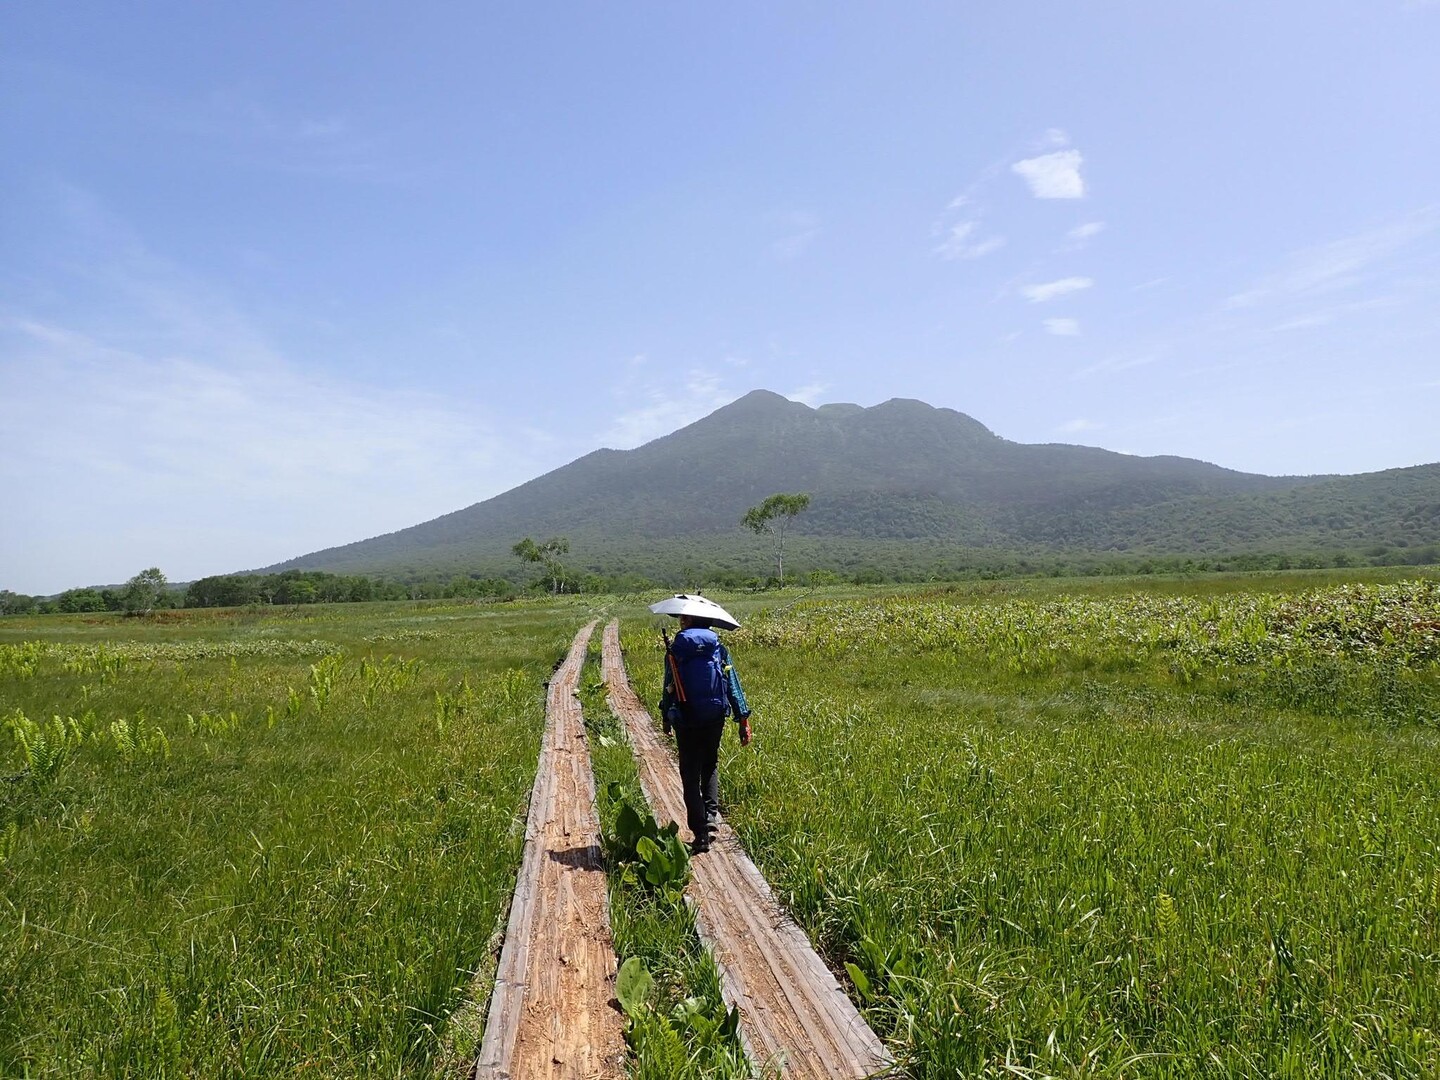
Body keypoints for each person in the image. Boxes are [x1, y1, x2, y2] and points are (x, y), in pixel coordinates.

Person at [659, 613, 751, 854]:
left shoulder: (675, 649)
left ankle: (700, 832)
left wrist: (665, 718)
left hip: (685, 716)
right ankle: (711, 816)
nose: (680, 621)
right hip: (714, 715)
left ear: (688, 621)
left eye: (682, 618)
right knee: (709, 764)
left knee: (689, 772)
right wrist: (743, 718)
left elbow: (669, 685)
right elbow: (732, 683)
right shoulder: (718, 648)